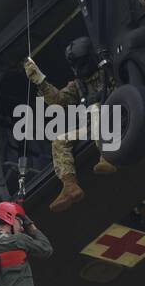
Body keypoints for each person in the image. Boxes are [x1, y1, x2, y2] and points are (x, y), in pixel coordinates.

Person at [23, 37, 116, 213]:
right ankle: (69, 186)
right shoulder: (78, 85)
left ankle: (108, 157)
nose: (77, 69)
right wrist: (40, 81)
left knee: (95, 109)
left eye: (80, 64)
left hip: (116, 116)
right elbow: (58, 101)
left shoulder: (108, 70)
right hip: (93, 126)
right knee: (59, 140)